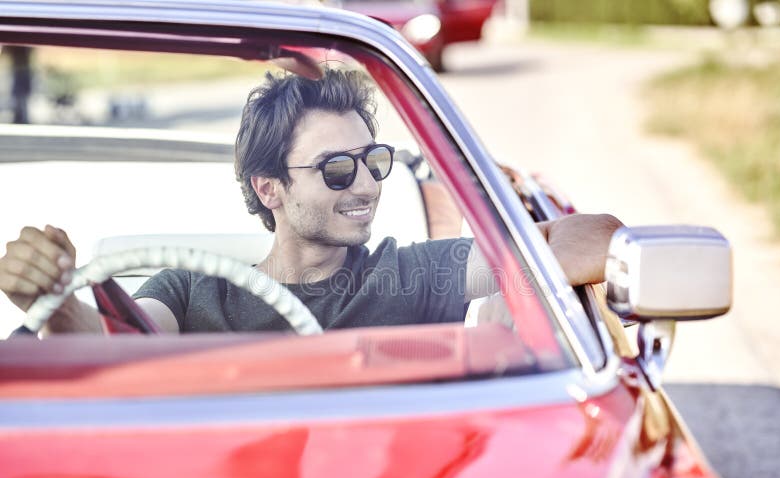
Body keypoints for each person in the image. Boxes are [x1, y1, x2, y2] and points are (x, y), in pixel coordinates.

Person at [0, 69, 622, 335]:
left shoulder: (409, 273)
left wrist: (518, 290)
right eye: (335, 169)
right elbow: (119, 360)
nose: (366, 184)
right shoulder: (190, 290)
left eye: (373, 161)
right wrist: (51, 300)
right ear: (269, 189)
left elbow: (590, 236)